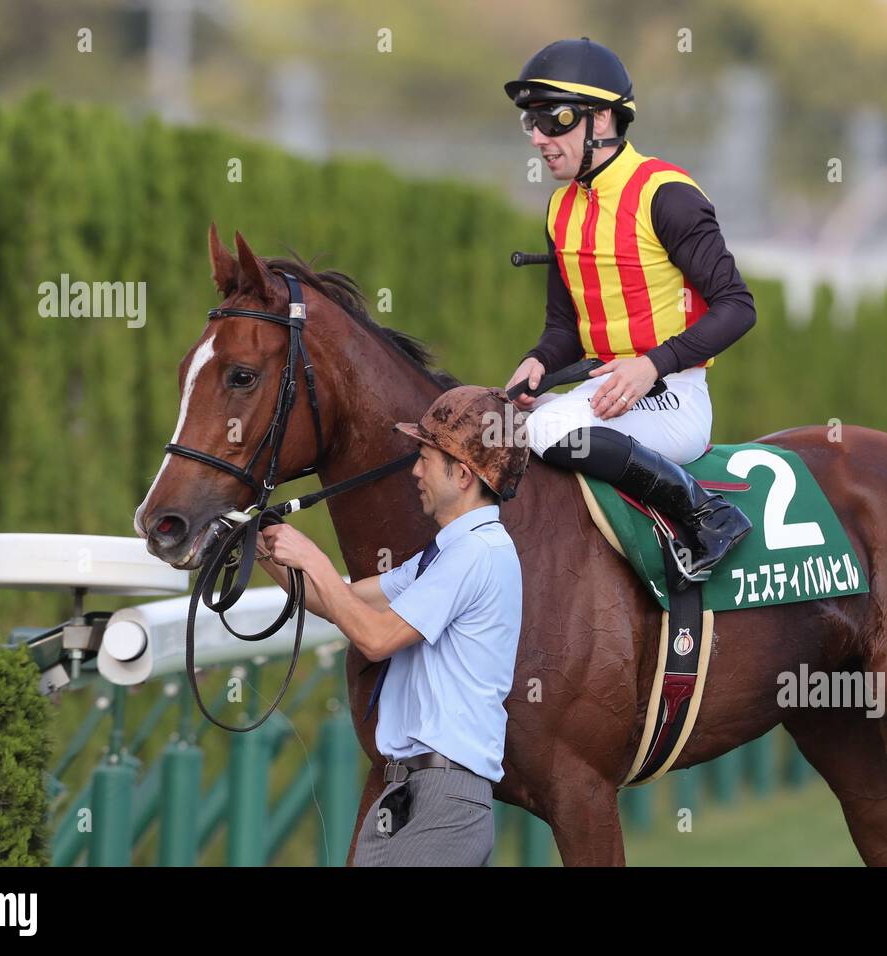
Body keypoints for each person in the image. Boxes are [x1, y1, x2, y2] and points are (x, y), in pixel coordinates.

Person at [503, 37, 756, 586]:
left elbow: (738, 306)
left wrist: (652, 365)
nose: (540, 139)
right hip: (607, 397)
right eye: (531, 123)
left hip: (674, 397)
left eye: (555, 120)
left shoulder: (666, 194)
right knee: (497, 424)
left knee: (547, 427)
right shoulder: (560, 207)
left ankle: (706, 515)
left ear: (602, 119)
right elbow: (564, 328)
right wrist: (538, 363)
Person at [256, 386, 528, 866]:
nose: (415, 471)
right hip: (416, 795)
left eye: (425, 457)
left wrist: (312, 556)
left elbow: (375, 638)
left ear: (462, 474)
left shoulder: (474, 554)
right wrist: (262, 549)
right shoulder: (444, 555)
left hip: (439, 800)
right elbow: (333, 602)